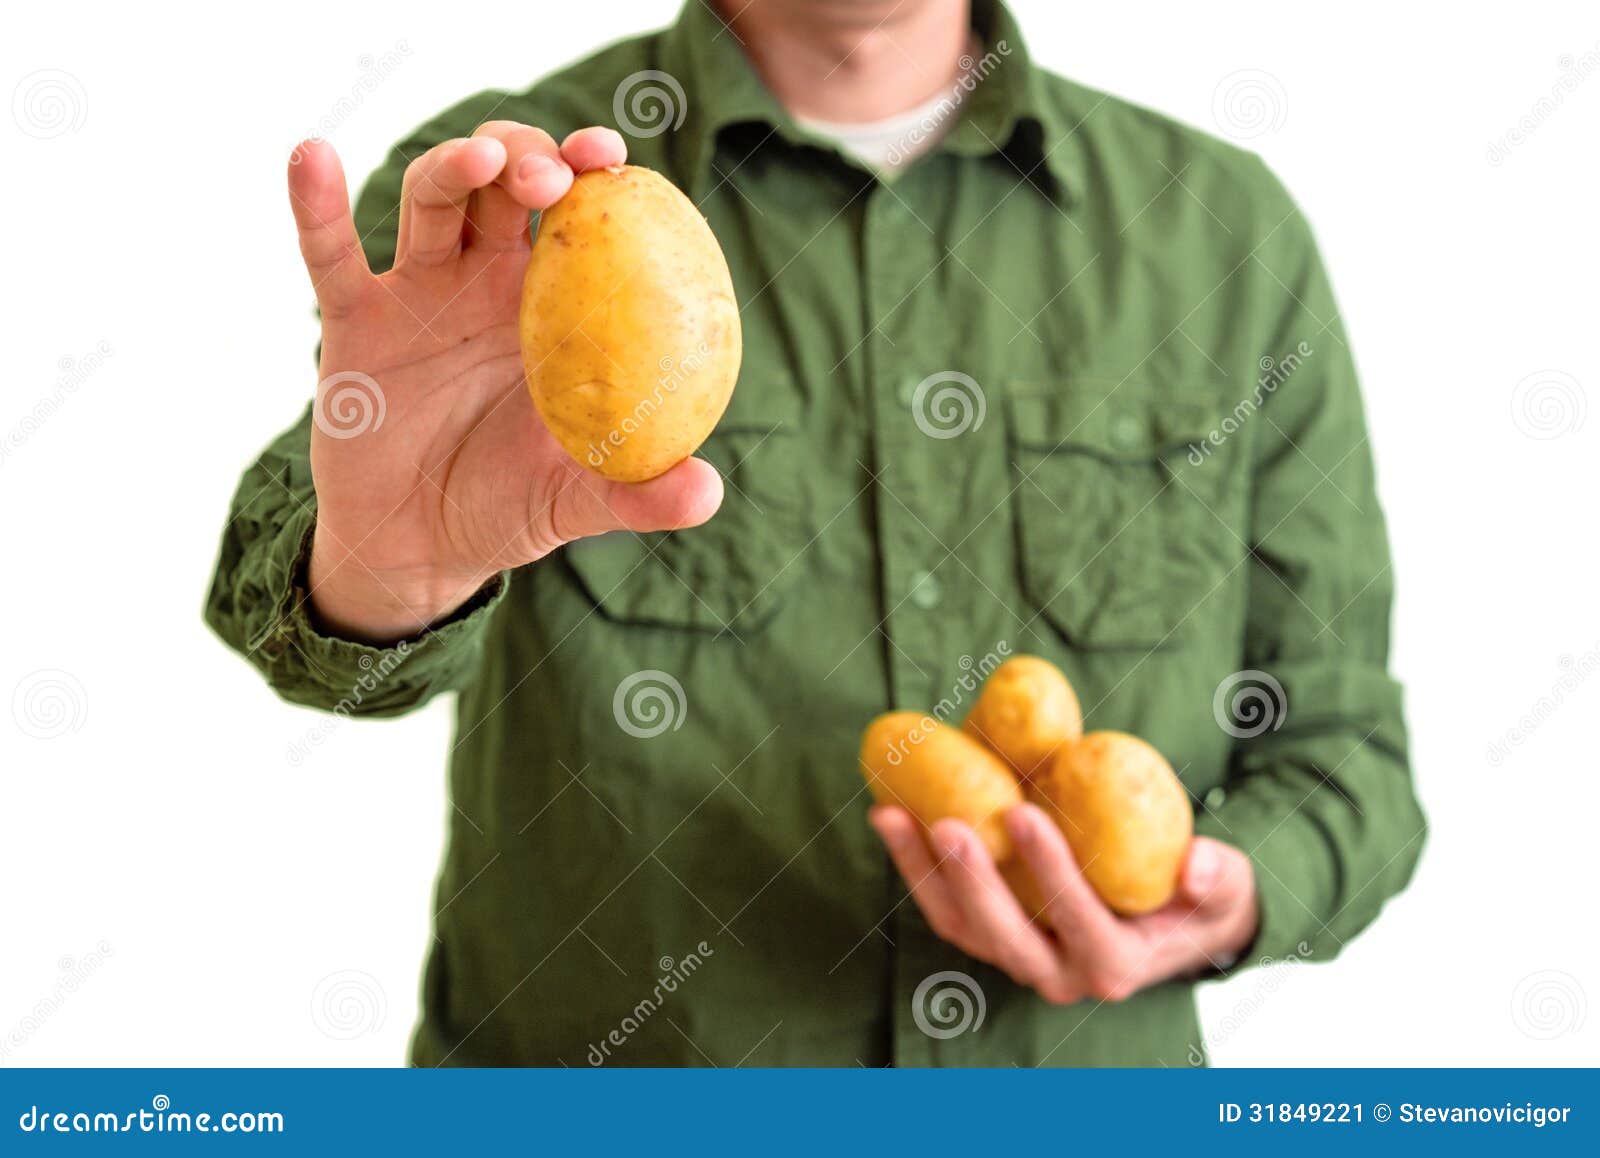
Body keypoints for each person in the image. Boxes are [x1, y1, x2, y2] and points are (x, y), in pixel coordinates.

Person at [207, 0, 1424, 1066]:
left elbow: (1347, 755)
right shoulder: (498, 199)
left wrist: (1227, 893)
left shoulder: (1223, 233)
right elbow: (292, 629)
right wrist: (391, 570)